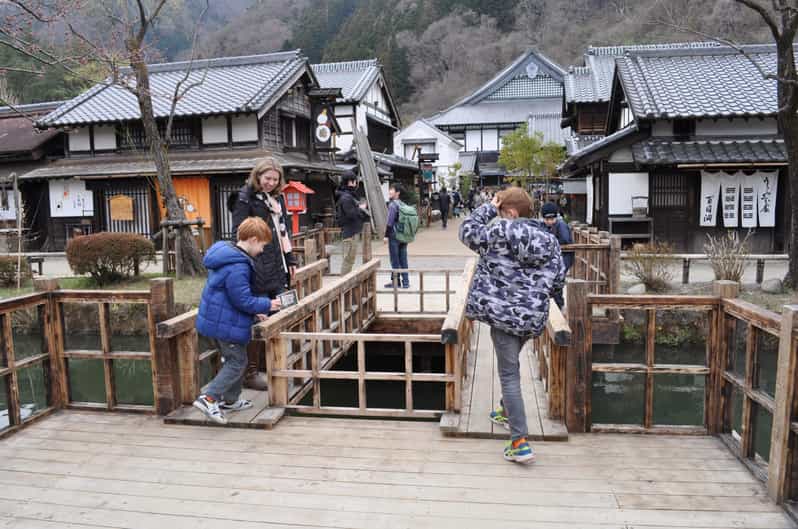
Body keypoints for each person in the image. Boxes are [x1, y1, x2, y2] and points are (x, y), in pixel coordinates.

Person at [459, 187, 565, 464]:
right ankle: (507, 412)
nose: (499, 215)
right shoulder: (550, 241)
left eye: (502, 211)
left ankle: (519, 442)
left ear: (511, 212)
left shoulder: (500, 232)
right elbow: (557, 282)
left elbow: (467, 231)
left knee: (509, 375)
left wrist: (488, 209)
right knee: (513, 365)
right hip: (532, 319)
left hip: (503, 317)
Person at [193, 217, 282, 425]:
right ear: (252, 240)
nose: (261, 251)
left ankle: (231, 400)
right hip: (225, 324)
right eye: (261, 245)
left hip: (217, 320)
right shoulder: (238, 266)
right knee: (237, 362)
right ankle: (209, 398)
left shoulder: (227, 254)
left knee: (235, 360)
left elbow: (230, 297)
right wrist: (267, 305)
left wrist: (254, 313)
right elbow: (242, 299)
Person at [231, 158, 296, 390]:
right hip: (256, 263)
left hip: (276, 263)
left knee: (279, 309)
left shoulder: (276, 199)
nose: (270, 182)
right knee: (257, 315)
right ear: (257, 176)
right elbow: (239, 234)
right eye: (266, 178)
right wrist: (245, 264)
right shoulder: (244, 197)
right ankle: (250, 372)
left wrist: (291, 259)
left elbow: (284, 230)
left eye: (275, 179)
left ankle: (271, 363)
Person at [335, 171, 370, 275]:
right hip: (349, 233)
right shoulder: (346, 197)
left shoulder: (348, 196)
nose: (356, 184)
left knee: (350, 259)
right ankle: (344, 286)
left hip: (352, 231)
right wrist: (361, 208)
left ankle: (345, 285)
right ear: (350, 182)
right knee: (348, 260)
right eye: (355, 182)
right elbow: (351, 214)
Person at [541, 202, 574, 309]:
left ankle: (559, 305)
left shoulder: (561, 224)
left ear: (556, 216)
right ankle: (554, 305)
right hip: (553, 257)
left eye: (552, 218)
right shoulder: (544, 226)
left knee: (557, 281)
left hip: (565, 256)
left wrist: (549, 242)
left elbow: (565, 240)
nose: (550, 221)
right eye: (547, 219)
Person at [384, 183, 409, 289]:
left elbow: (389, 222)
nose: (390, 191)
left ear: (397, 193)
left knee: (395, 259)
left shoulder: (393, 205)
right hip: (404, 235)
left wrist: (386, 235)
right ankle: (406, 282)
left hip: (394, 235)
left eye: (392, 190)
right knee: (403, 258)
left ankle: (396, 282)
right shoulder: (403, 204)